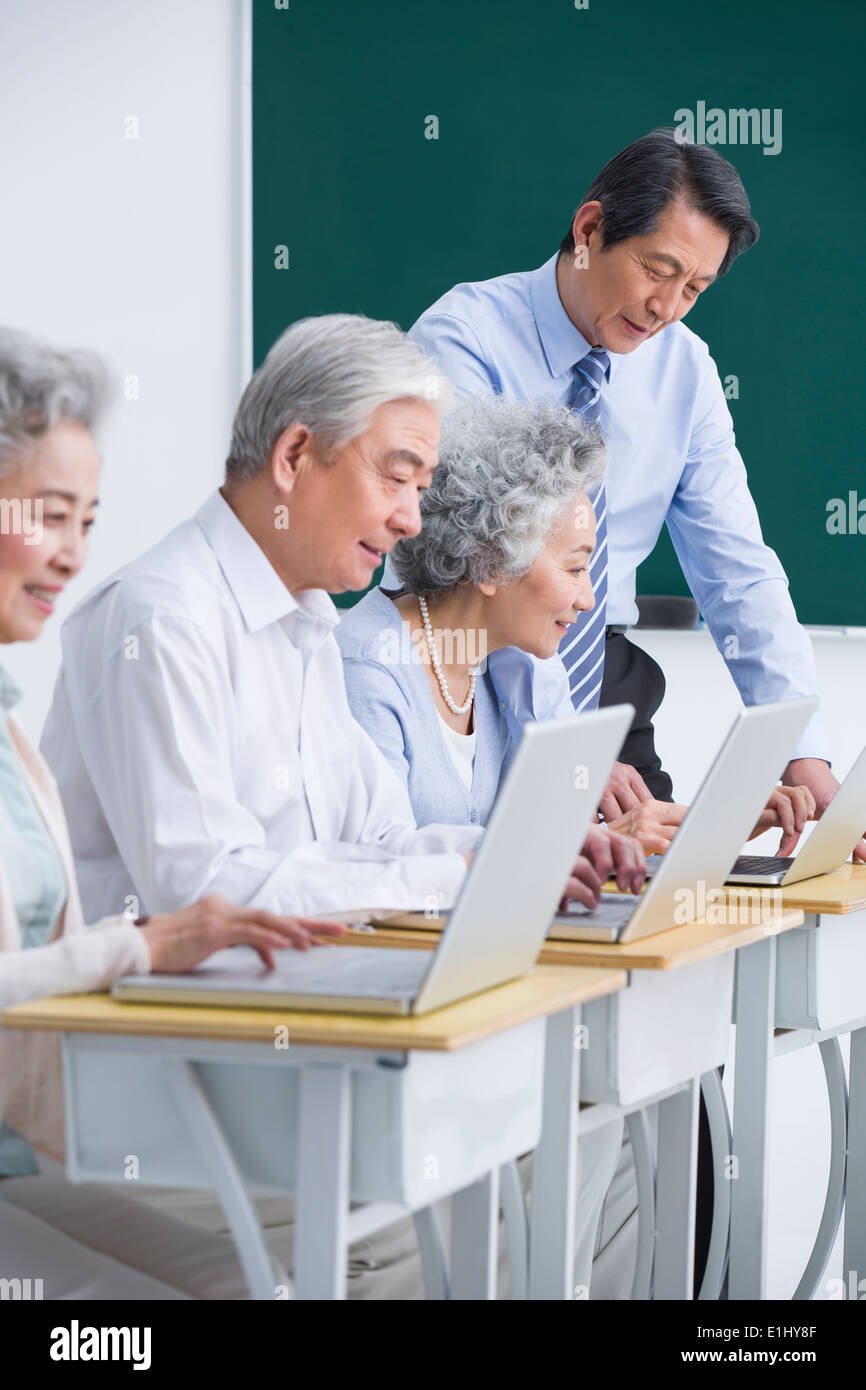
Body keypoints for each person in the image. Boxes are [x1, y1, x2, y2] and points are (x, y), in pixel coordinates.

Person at [39, 313, 609, 1298]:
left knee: (572, 1136)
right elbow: (205, 890)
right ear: (297, 455)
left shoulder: (302, 623)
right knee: (467, 1192)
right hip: (161, 1075)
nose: (408, 521)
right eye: (396, 477)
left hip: (275, 1044)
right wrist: (464, 870)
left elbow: (381, 837)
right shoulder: (161, 615)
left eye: (423, 490)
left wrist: (513, 853)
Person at [336, 394, 815, 1296]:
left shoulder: (523, 661)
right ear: (489, 560)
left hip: (510, 991)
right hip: (412, 1019)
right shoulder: (368, 668)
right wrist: (578, 841)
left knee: (655, 1111)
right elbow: (381, 868)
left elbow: (561, 830)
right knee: (606, 1113)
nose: (591, 598)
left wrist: (652, 831)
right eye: (575, 565)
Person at [396, 127, 861, 861]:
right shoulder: (464, 341)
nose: (666, 307)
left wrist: (804, 752)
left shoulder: (685, 369)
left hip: (601, 669)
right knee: (506, 899)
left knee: (675, 884)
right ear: (589, 231)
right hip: (472, 665)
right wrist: (564, 751)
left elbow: (738, 570)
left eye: (695, 289)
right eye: (658, 268)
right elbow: (476, 565)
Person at [0, 326, 346, 1298]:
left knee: (252, 1284)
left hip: (20, 1151)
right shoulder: (156, 617)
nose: (72, 554)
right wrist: (142, 947)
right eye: (50, 515)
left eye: (88, 520)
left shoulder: (10, 725)